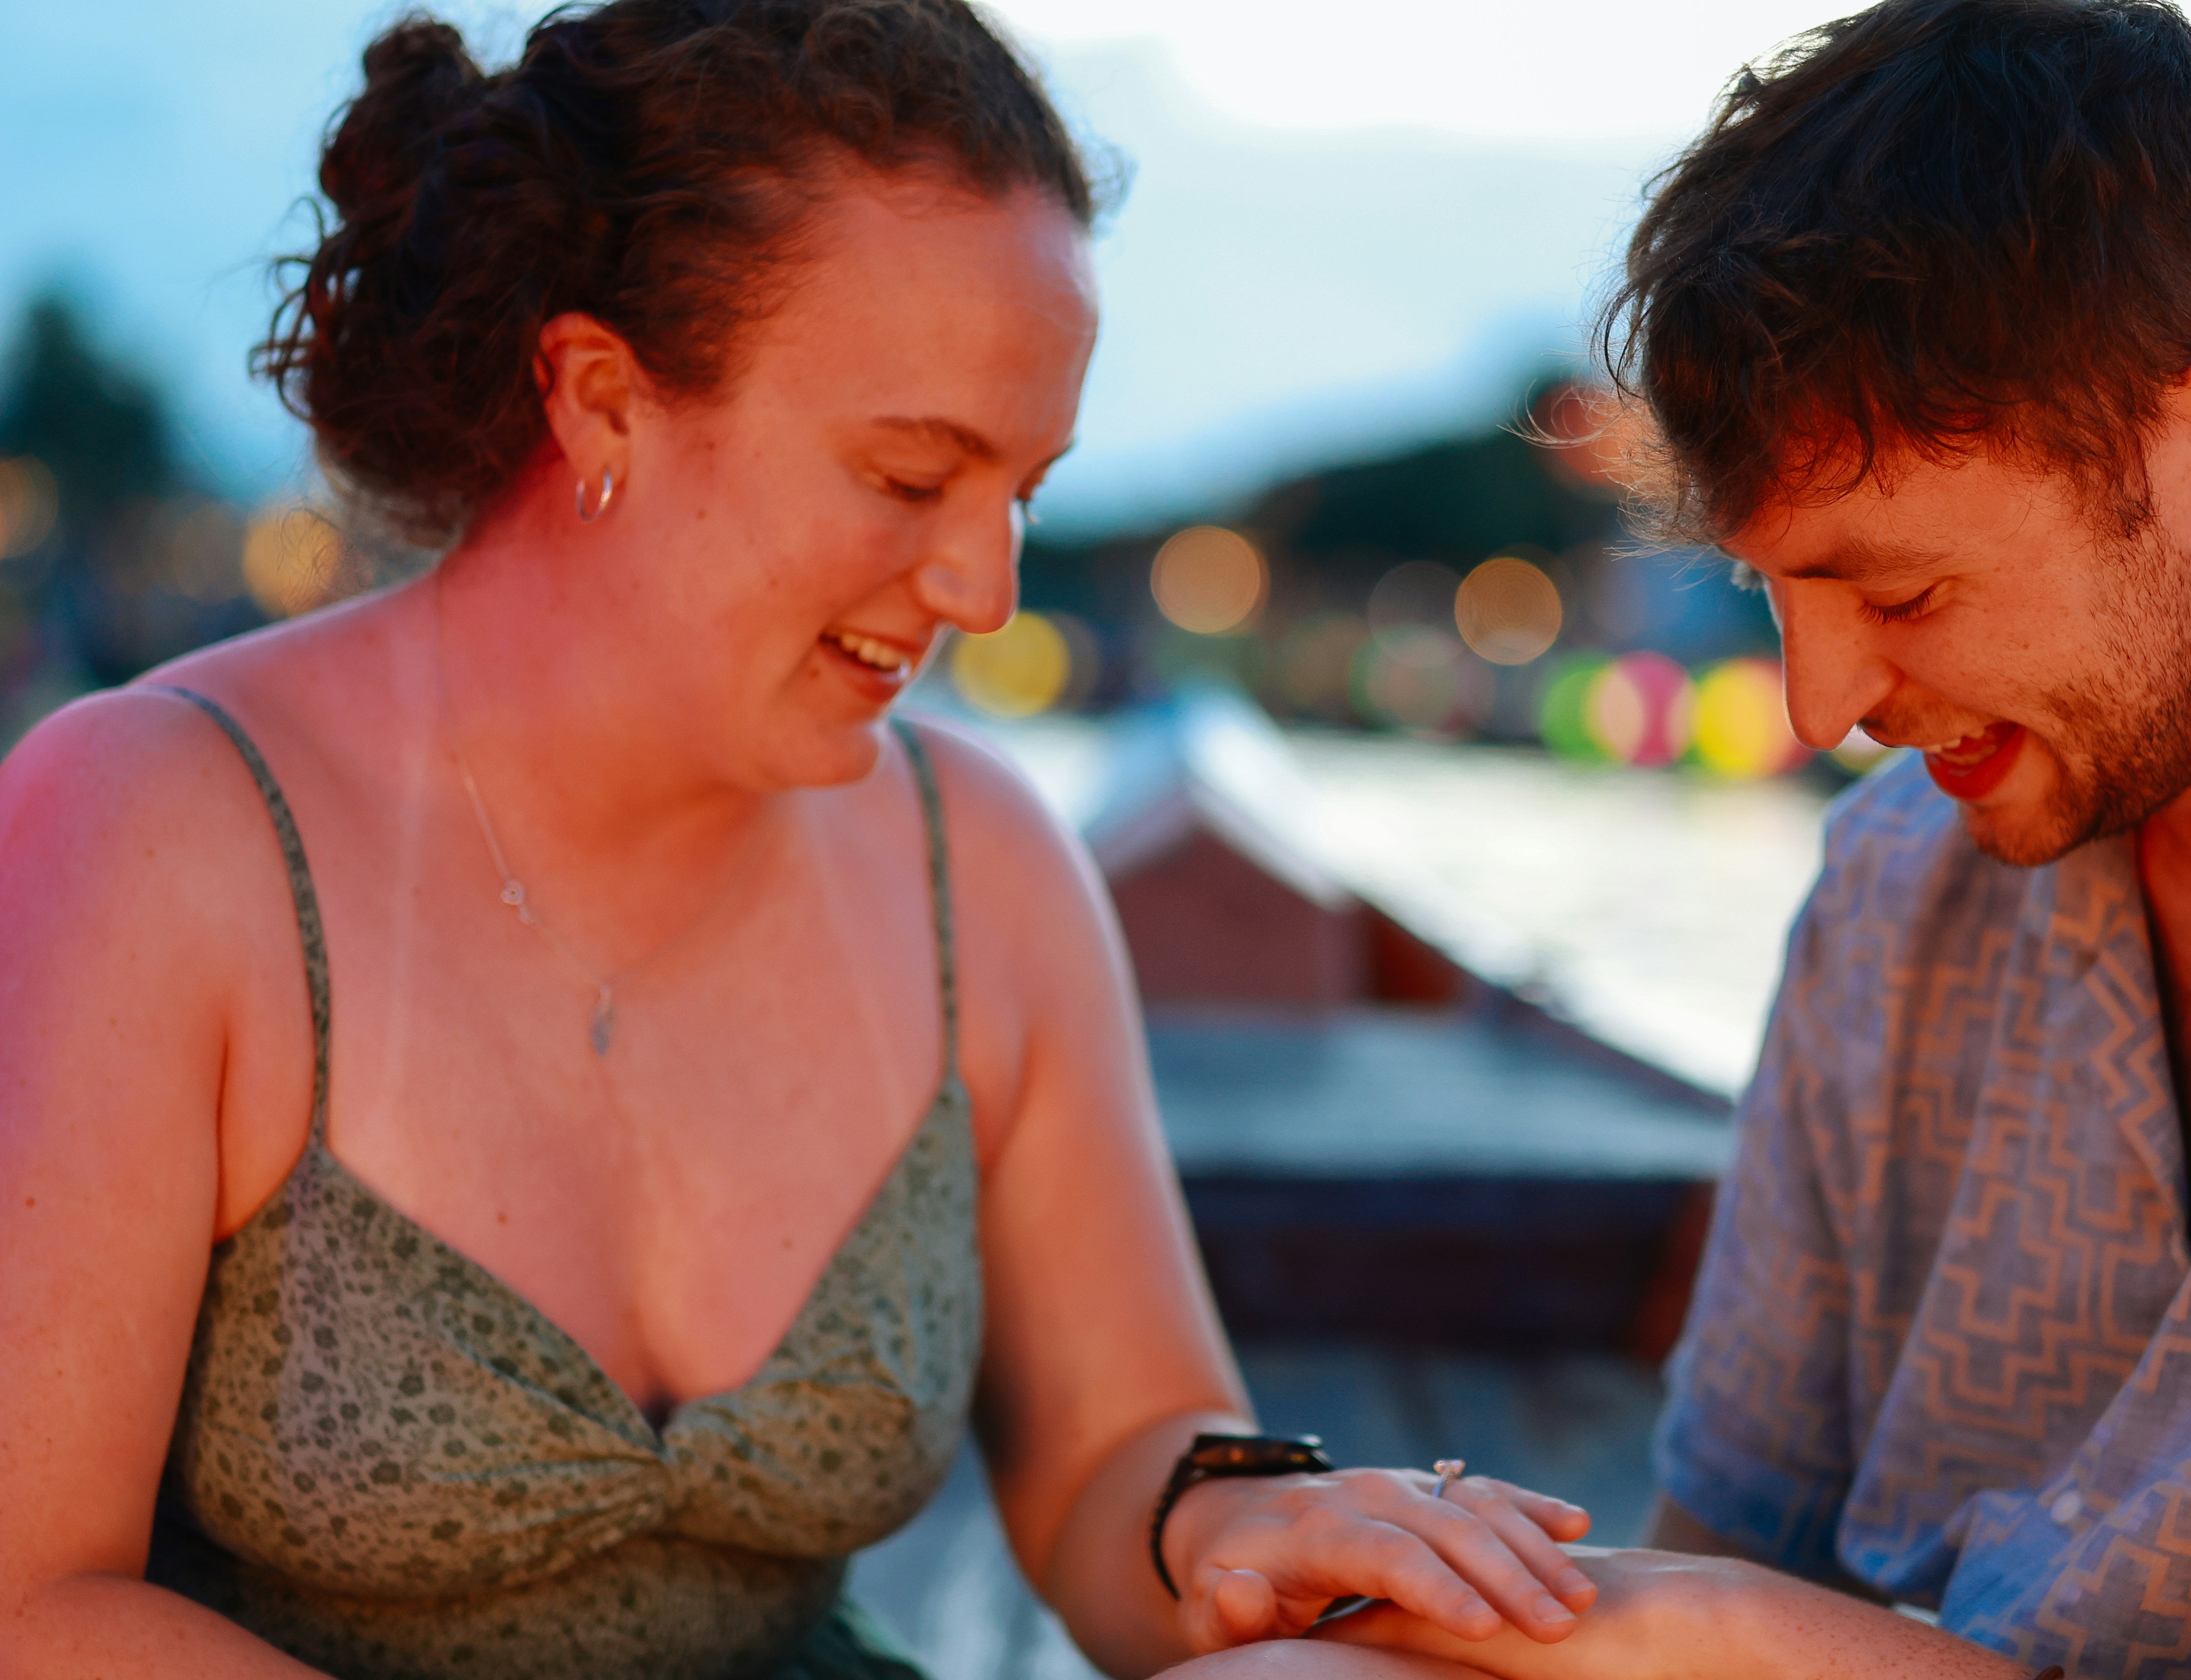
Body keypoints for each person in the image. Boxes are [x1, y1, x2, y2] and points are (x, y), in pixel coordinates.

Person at [0, 6, 1605, 1679]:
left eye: (1025, 493)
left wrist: (1229, 1522)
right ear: (600, 397)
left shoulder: (980, 867)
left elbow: (1118, 1441)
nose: (985, 589)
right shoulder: (154, 828)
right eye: (913, 475)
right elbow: (27, 1601)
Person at [1175, 0, 2191, 1677]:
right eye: (1781, 596)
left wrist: (1744, 1634)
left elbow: (1731, 1613)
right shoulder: (1901, 887)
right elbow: (1721, 1550)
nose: (1816, 709)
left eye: (1902, 590)